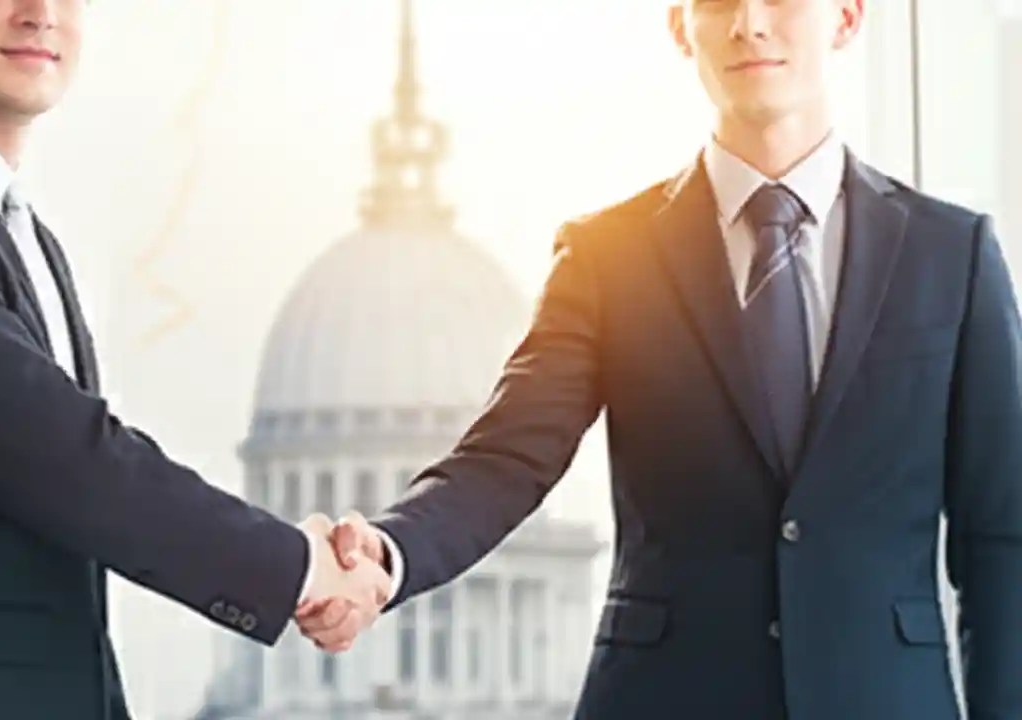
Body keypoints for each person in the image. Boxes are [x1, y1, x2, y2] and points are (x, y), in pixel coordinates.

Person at [296, 1, 1022, 718]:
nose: (749, 23)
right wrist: (390, 555)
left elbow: (1003, 534)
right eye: (719, 2)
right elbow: (507, 458)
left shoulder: (949, 254)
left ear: (848, 17)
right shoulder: (609, 255)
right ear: (681, 27)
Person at [0, 1, 388, 718]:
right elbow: (68, 462)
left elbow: (59, 541)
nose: (40, 13)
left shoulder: (15, 231)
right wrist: (293, 568)